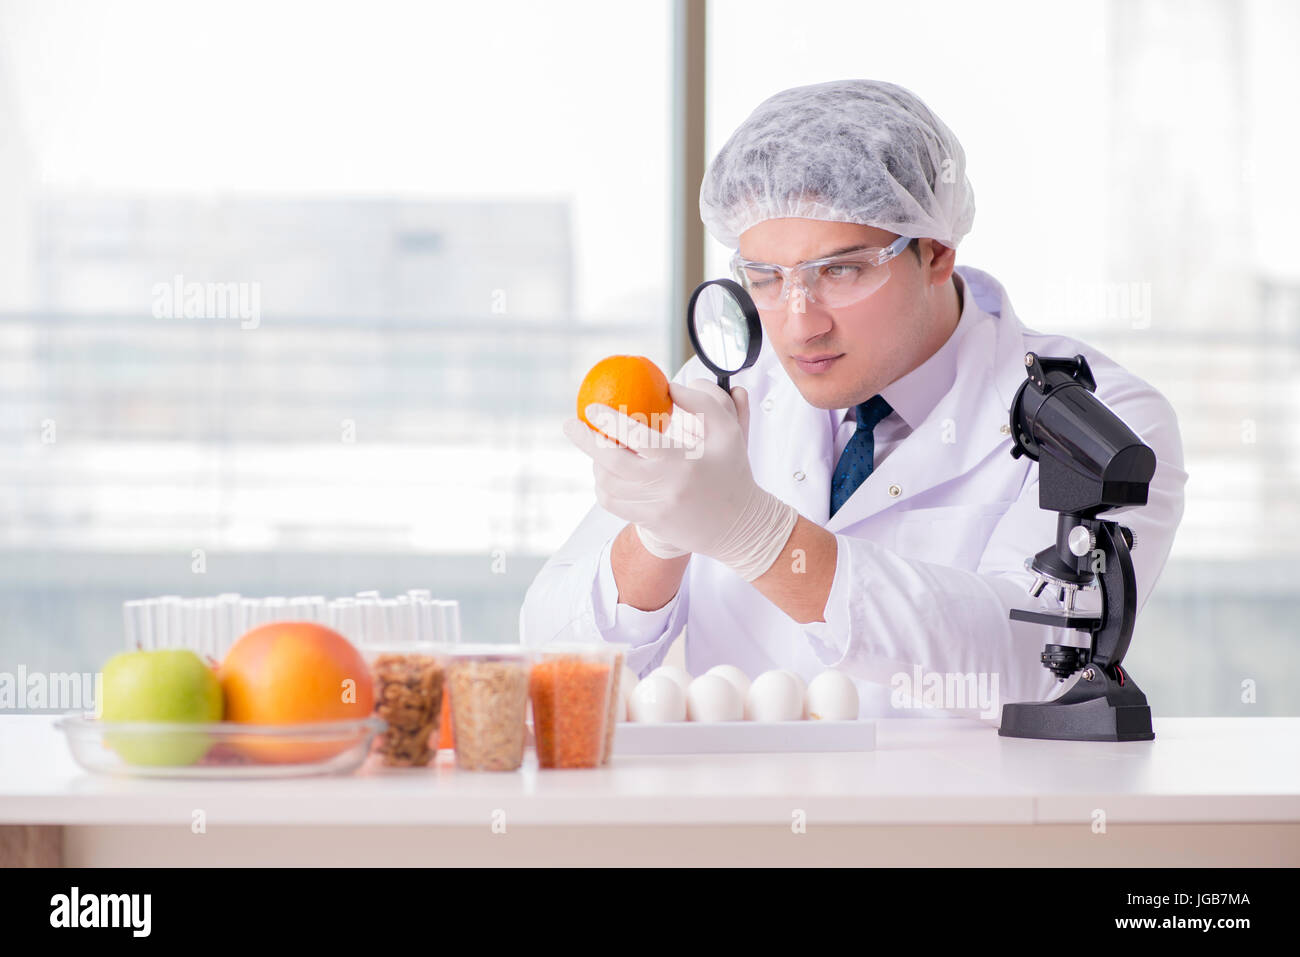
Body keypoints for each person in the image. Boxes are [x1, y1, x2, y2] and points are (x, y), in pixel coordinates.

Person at [520, 79, 1187, 722]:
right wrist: (659, 532)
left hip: (965, 830)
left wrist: (755, 533)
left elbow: (1039, 664)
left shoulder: (1101, 419)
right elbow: (554, 661)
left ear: (936, 252)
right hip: (741, 828)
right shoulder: (724, 392)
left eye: (839, 270)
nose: (799, 322)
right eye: (766, 277)